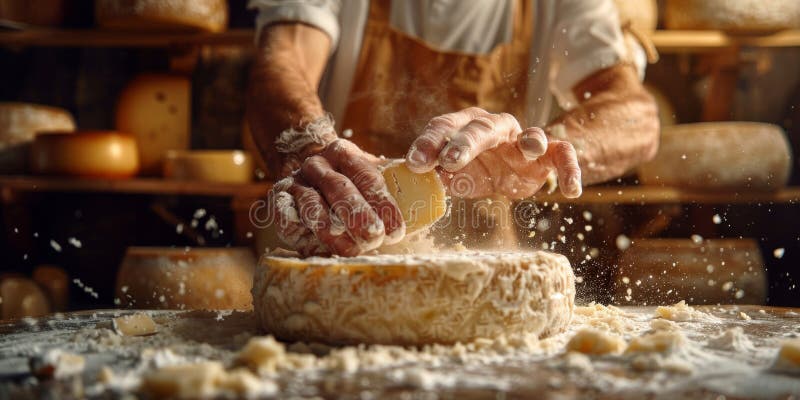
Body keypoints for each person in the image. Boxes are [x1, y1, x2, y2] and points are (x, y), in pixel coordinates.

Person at [246, 0, 659, 256]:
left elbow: (635, 114)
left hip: (483, 257)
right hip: (336, 232)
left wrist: (543, 148)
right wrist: (309, 146)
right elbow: (282, 60)